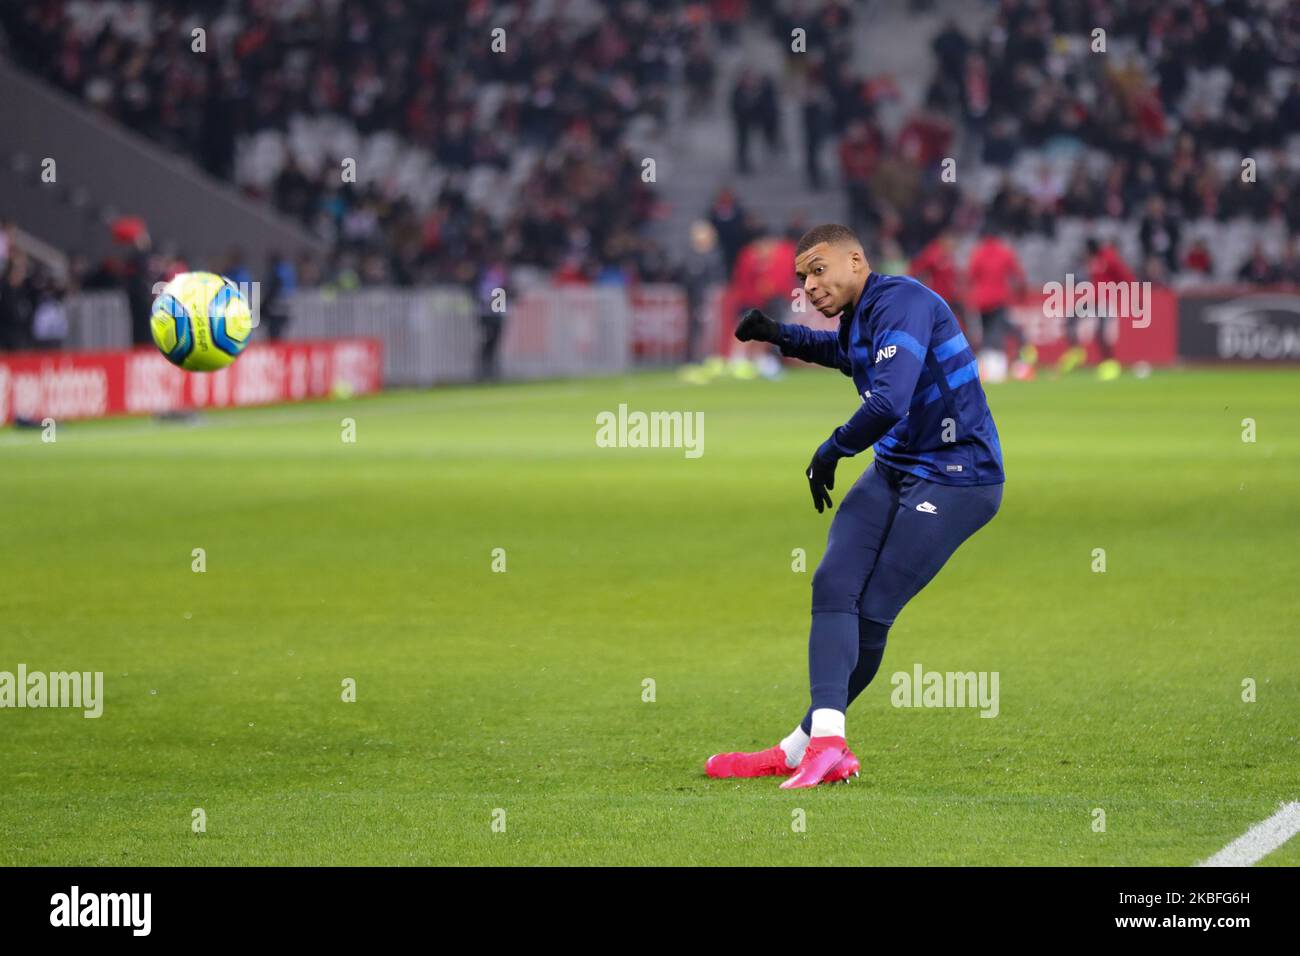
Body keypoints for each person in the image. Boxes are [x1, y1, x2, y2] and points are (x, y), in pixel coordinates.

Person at [707, 223, 1005, 789]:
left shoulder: (904, 302)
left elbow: (889, 400)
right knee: (832, 581)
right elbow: (844, 353)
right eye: (803, 278)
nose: (810, 285)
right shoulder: (861, 317)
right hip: (896, 467)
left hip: (957, 475)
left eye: (820, 270)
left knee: (871, 609)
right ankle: (815, 746)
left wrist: (832, 448)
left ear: (857, 261)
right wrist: (779, 334)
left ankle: (815, 747)